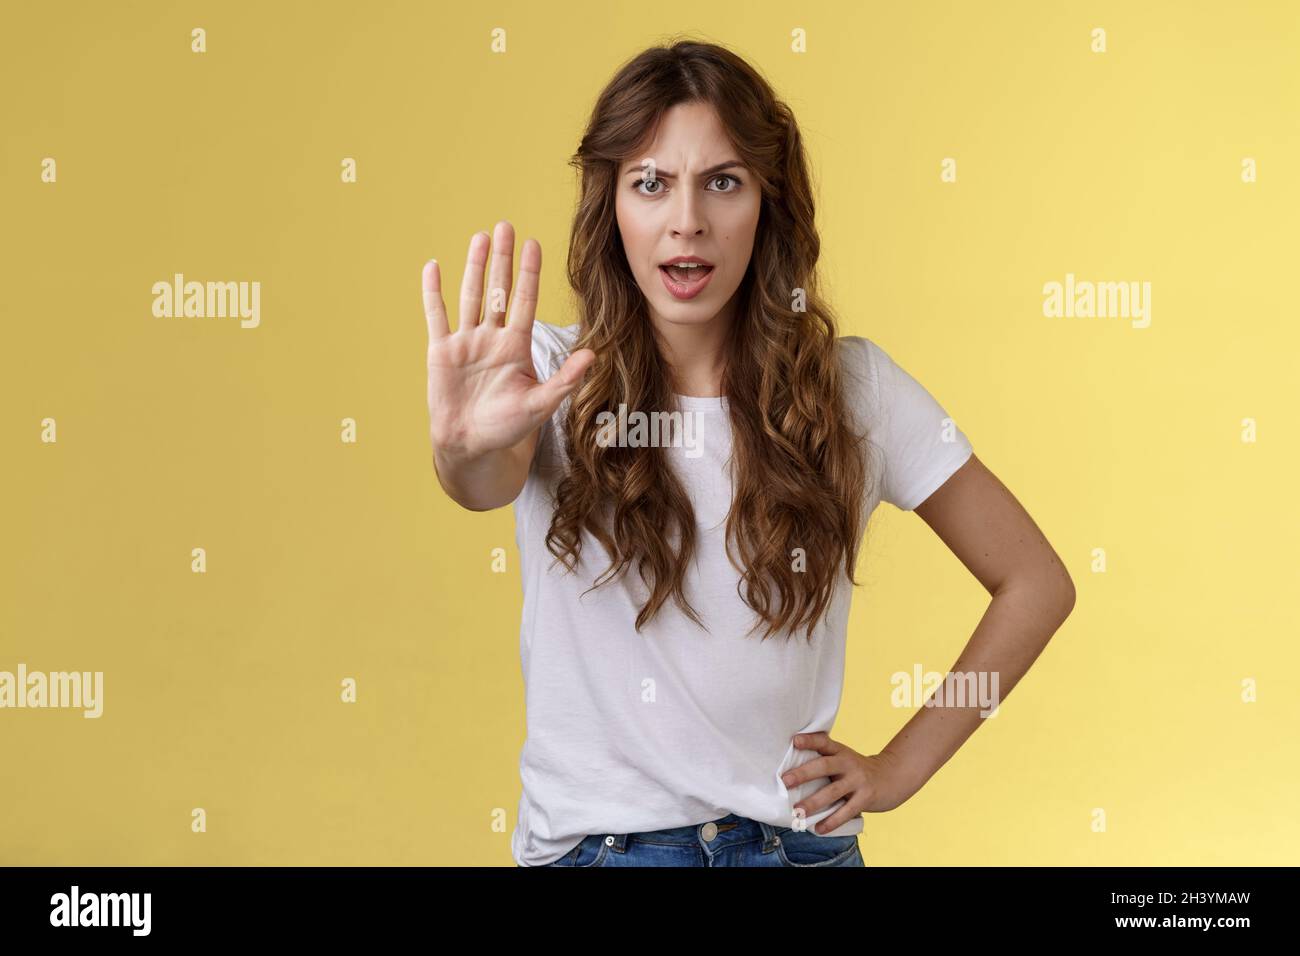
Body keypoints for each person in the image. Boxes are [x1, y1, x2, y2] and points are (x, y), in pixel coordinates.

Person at [421, 40, 1075, 867]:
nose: (686, 219)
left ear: (768, 200)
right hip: (604, 851)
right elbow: (482, 482)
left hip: (794, 849)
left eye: (721, 181)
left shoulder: (853, 390)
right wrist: (460, 448)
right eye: (650, 183)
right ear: (611, 205)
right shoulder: (549, 376)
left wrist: (900, 768)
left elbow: (1036, 582)